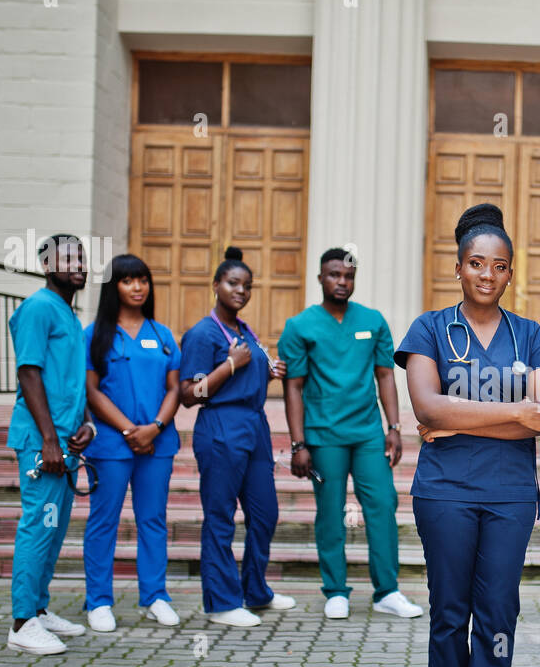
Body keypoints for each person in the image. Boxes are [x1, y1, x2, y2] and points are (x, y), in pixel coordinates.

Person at [396, 204, 540, 667]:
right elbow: (425, 405)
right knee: (449, 612)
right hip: (445, 493)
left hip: (510, 494)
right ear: (459, 268)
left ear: (510, 273)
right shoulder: (430, 329)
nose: (487, 275)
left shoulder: (531, 335)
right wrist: (512, 411)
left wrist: (458, 418)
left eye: (499, 266)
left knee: (497, 615)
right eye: (476, 264)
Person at [279, 248, 420, 620]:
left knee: (383, 505)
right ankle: (336, 591)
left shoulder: (372, 321)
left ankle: (387, 591)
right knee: (330, 511)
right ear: (320, 278)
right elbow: (293, 387)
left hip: (369, 433)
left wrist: (394, 427)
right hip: (323, 434)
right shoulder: (300, 326)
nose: (342, 281)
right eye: (334, 275)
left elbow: (386, 375)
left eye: (348, 276)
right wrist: (298, 443)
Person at [178, 247, 294, 626]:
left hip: (255, 426)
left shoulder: (246, 330)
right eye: (232, 283)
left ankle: (255, 591)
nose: (240, 291)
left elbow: (250, 367)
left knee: (265, 513)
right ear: (216, 285)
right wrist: (230, 365)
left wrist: (268, 370)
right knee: (220, 515)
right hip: (221, 427)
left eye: (247, 285)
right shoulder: (202, 333)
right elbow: (188, 395)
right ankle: (222, 603)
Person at [81, 254, 182, 632]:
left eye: (143, 280)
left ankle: (155, 596)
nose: (138, 287)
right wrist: (129, 430)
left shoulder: (162, 334)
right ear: (114, 287)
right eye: (128, 281)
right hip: (111, 444)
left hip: (158, 443)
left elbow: (174, 388)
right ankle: (99, 602)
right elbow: (91, 391)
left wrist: (154, 427)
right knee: (104, 521)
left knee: (153, 520)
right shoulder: (95, 335)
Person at [5, 233, 95, 655]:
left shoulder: (69, 315)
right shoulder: (39, 308)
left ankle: (39, 611)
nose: (78, 265)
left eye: (82, 258)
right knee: (37, 528)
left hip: (66, 441)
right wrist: (49, 440)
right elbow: (28, 373)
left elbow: (75, 384)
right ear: (46, 266)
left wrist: (88, 425)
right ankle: (22, 623)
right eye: (68, 259)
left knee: (53, 530)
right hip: (44, 442)